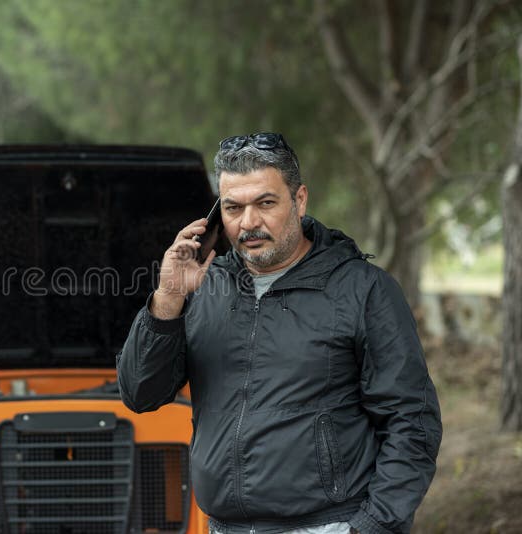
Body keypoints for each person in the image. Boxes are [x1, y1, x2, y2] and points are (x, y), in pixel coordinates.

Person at [116, 132, 442, 534]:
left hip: (330, 526)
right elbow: (139, 393)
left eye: (265, 203)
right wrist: (168, 298)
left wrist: (373, 526)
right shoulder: (203, 288)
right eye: (234, 208)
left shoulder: (363, 290)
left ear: (299, 200)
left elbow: (413, 422)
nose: (249, 222)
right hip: (223, 527)